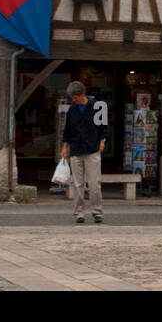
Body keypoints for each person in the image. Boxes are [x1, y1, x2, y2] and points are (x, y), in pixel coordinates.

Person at [59, 81, 108, 224]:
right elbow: (67, 131)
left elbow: (104, 127)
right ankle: (79, 212)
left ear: (82, 94)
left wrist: (102, 141)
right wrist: (64, 147)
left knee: (94, 183)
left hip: (92, 148)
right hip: (76, 149)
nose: (73, 100)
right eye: (72, 97)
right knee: (77, 184)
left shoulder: (98, 106)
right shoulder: (72, 110)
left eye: (75, 97)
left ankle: (97, 211)